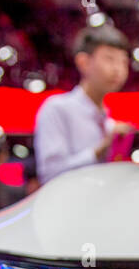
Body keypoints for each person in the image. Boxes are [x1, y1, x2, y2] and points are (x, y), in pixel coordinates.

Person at [33, 27, 133, 185]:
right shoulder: (57, 109)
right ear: (84, 62)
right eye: (110, 59)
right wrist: (99, 151)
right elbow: (50, 175)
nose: (118, 69)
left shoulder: (108, 122)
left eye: (123, 62)